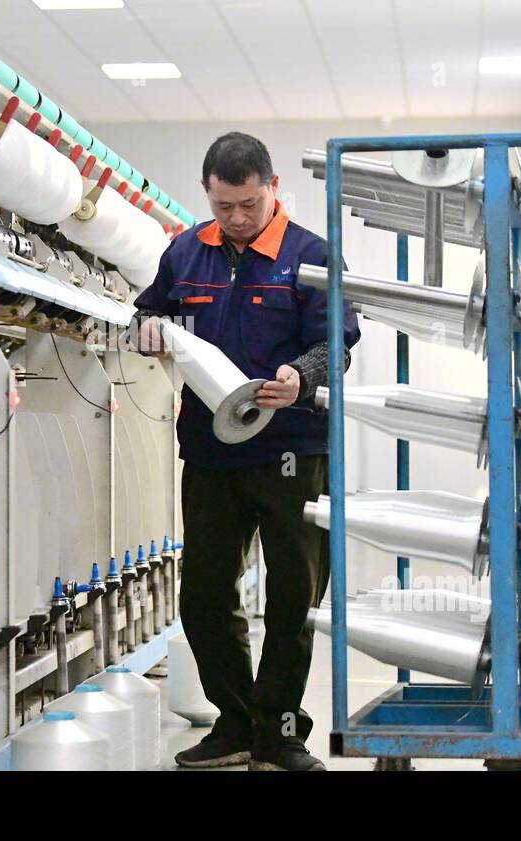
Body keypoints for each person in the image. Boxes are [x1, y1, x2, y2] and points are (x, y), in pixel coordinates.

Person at [132, 131, 360, 771]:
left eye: (249, 205)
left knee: (294, 598)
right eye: (223, 205)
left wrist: (301, 375)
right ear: (209, 194)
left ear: (273, 190)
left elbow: (336, 345)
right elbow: (146, 314)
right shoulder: (185, 253)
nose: (235, 219)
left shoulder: (312, 256)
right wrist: (148, 330)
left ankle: (280, 732)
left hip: (293, 450)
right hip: (211, 452)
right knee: (204, 595)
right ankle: (234, 723)